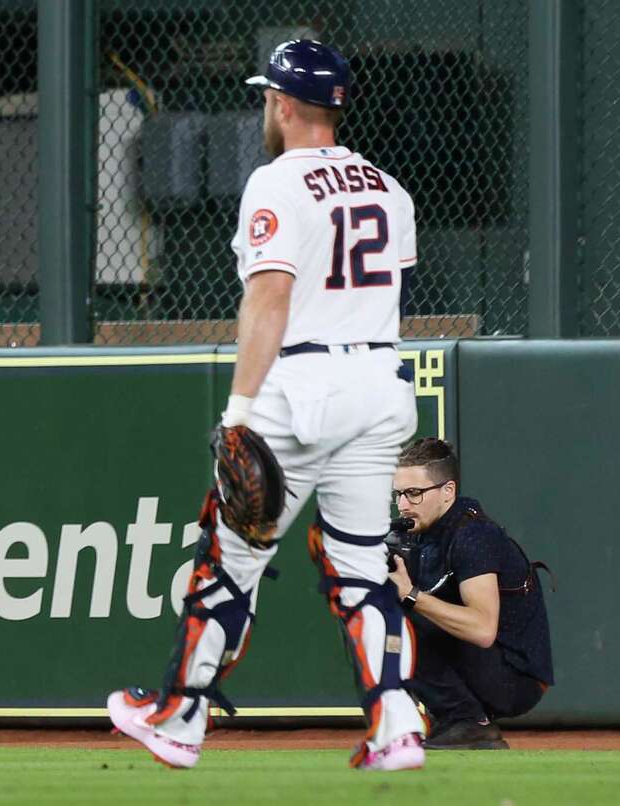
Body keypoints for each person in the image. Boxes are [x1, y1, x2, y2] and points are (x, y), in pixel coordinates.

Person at [107, 40, 426, 771]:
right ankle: (397, 724)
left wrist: (240, 410)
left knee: (229, 560)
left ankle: (180, 718)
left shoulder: (277, 183)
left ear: (282, 103)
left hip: (303, 389)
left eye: (267, 97)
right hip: (380, 384)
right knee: (361, 570)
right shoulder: (388, 188)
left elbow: (271, 295)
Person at [389, 438, 553, 749]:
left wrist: (410, 595)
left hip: (515, 678)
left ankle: (468, 720)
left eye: (414, 493)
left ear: (448, 491)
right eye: (398, 494)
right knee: (367, 607)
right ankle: (454, 719)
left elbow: (482, 629)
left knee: (390, 613)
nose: (403, 505)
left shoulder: (472, 535)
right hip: (483, 665)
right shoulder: (422, 533)